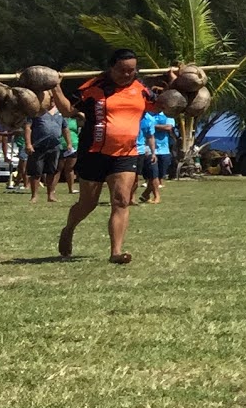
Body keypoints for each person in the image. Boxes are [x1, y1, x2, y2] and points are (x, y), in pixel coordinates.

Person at [51, 50, 165, 264]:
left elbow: (164, 105)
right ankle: (69, 229)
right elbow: (67, 110)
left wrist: (178, 81)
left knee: (121, 201)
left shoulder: (141, 90)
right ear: (111, 68)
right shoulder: (93, 87)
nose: (127, 74)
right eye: (122, 70)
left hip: (126, 154)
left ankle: (116, 252)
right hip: (94, 153)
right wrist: (55, 86)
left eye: (132, 70)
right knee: (88, 204)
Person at [25, 101, 66, 203]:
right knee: (36, 172)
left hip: (54, 146)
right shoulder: (37, 112)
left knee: (52, 171)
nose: (52, 101)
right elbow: (28, 127)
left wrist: (68, 143)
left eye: (53, 99)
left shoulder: (60, 113)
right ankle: (34, 196)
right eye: (50, 98)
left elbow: (65, 128)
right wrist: (28, 144)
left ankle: (51, 195)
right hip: (38, 146)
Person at [136, 102, 175, 205]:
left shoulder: (167, 114)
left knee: (159, 176)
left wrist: (153, 126)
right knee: (153, 175)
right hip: (147, 150)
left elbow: (168, 127)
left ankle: (146, 194)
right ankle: (156, 196)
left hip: (164, 150)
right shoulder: (147, 115)